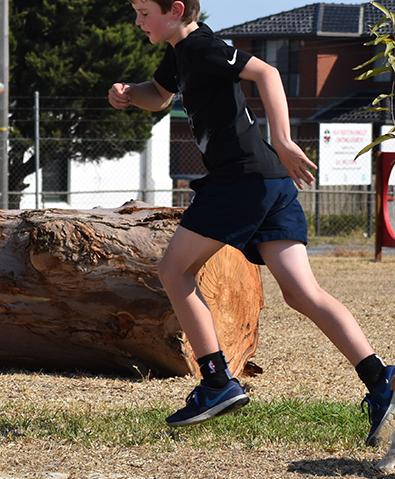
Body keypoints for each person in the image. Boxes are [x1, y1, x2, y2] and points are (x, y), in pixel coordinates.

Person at [108, 0, 394, 451]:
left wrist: (283, 140)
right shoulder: (180, 54)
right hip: (270, 184)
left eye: (144, 12)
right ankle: (381, 380)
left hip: (240, 179)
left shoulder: (201, 46)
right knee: (303, 293)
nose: (138, 21)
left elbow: (268, 74)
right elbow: (158, 95)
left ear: (176, 9)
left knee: (174, 271)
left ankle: (218, 381)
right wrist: (128, 94)